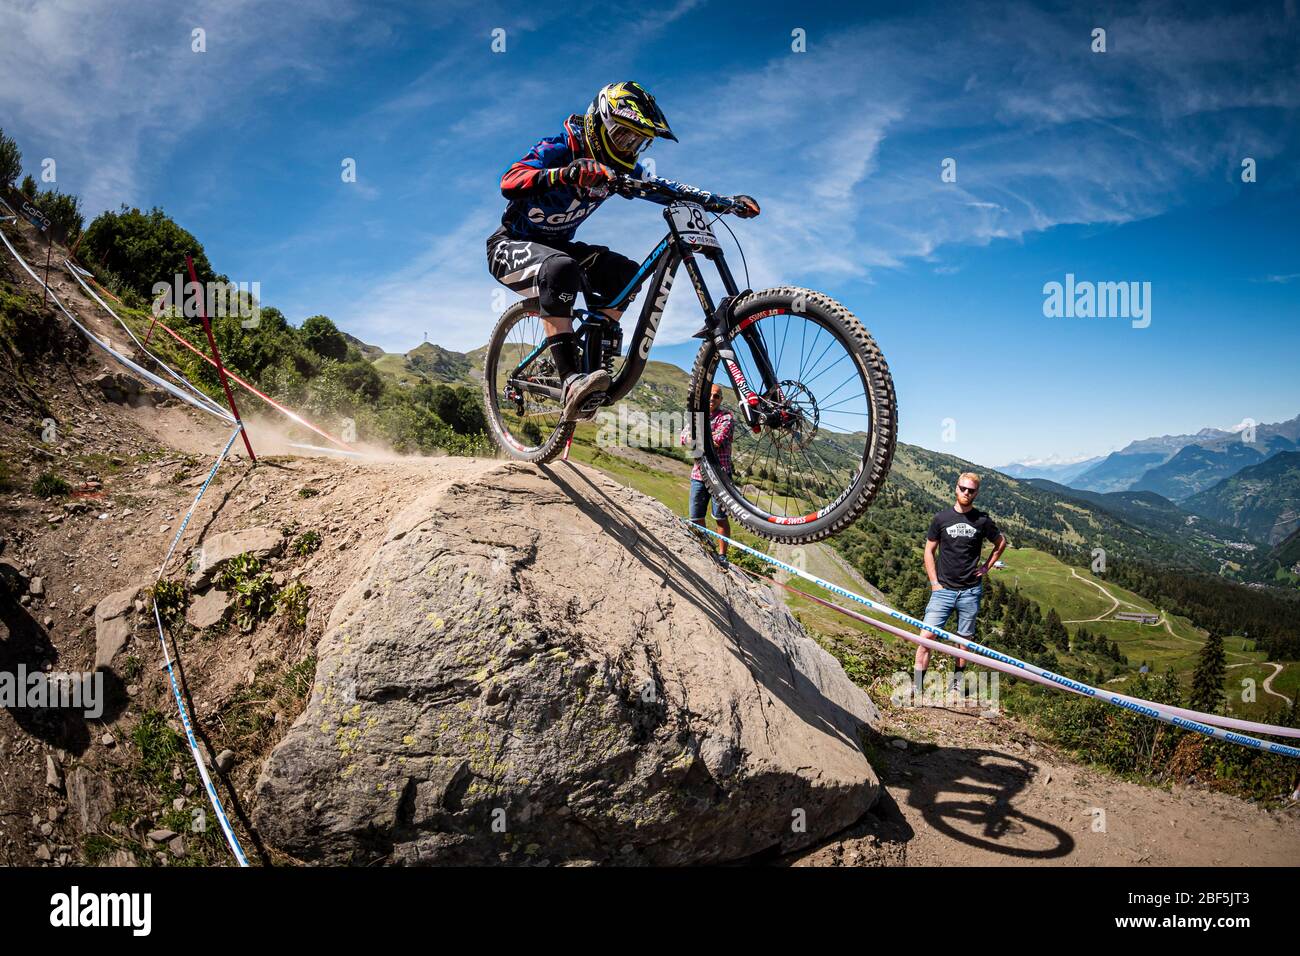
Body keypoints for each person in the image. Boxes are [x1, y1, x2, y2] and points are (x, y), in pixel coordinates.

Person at [486, 81, 759, 422]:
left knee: (626, 275)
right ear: (599, 123)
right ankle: (571, 380)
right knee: (560, 269)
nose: (629, 148)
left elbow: (666, 188)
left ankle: (588, 354)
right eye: (623, 136)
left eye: (638, 142)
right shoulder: (562, 147)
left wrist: (723, 202)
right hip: (509, 245)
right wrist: (565, 174)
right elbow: (510, 181)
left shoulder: (621, 169)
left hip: (560, 248)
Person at [914, 472, 1007, 701]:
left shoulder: (982, 520)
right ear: (955, 488)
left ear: (977, 493)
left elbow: (1001, 542)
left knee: (963, 642)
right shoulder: (941, 518)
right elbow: (928, 550)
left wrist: (986, 567)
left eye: (971, 490)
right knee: (925, 639)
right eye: (963, 488)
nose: (966, 493)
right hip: (943, 591)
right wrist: (934, 583)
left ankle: (955, 687)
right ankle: (917, 687)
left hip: (970, 591)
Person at [680, 383, 734, 564]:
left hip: (721, 476)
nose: (712, 398)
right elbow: (683, 438)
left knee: (720, 518)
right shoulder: (696, 415)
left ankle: (722, 555)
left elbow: (716, 442)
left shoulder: (726, 417)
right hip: (698, 474)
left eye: (716, 396)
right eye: (710, 395)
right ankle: (707, 549)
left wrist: (694, 438)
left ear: (721, 399)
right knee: (696, 517)